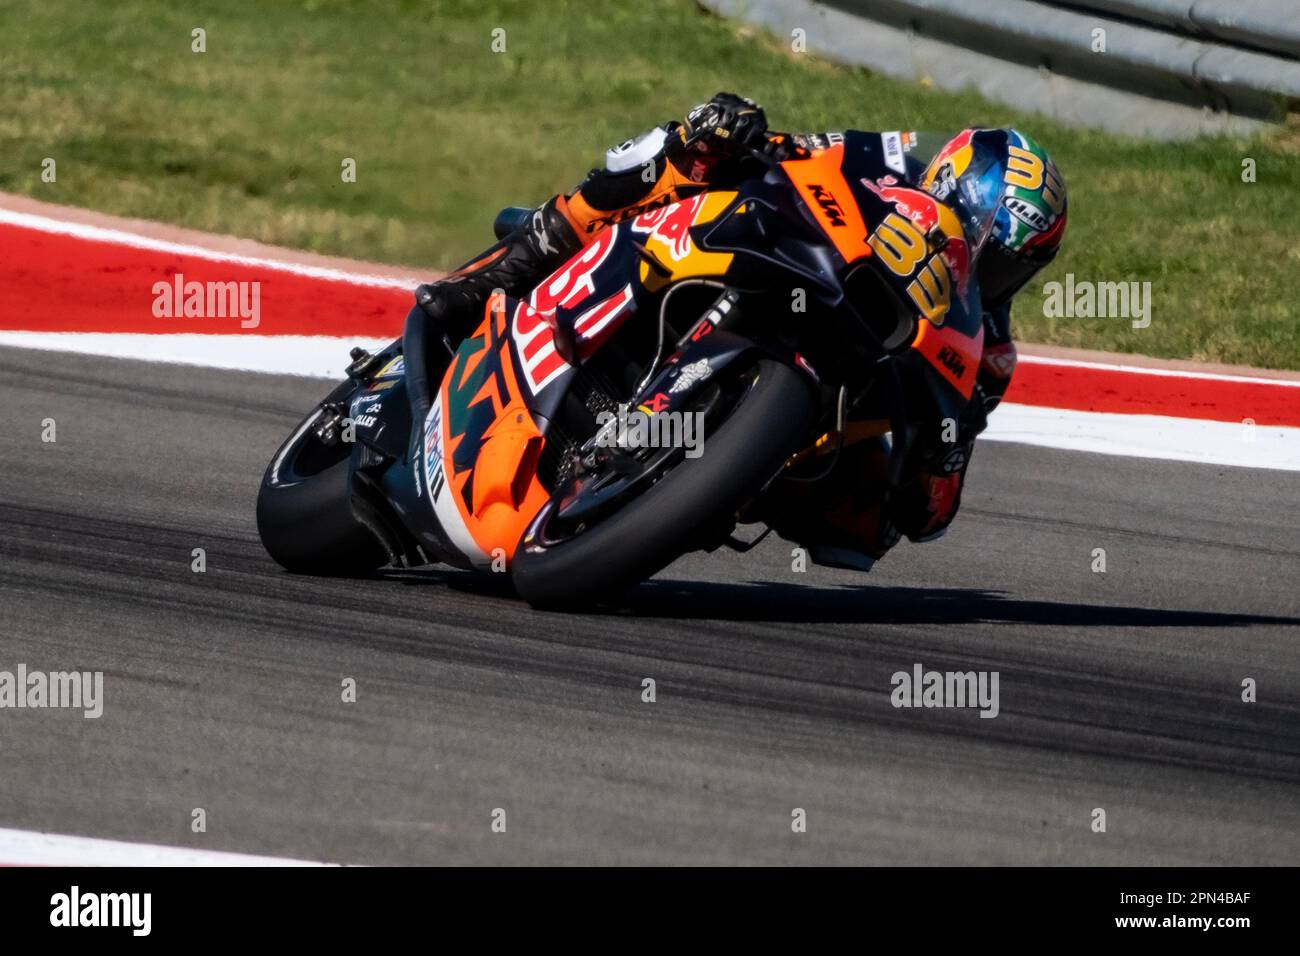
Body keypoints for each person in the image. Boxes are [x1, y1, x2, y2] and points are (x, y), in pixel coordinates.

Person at [411, 94, 1068, 570]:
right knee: (684, 150)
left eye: (1011, 263)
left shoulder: (985, 350)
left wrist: (945, 448)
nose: (990, 268)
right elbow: (797, 153)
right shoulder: (886, 164)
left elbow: (930, 517)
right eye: (990, 244)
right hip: (787, 267)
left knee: (866, 528)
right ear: (951, 185)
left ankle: (688, 485)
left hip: (812, 421)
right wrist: (737, 131)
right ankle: (516, 259)